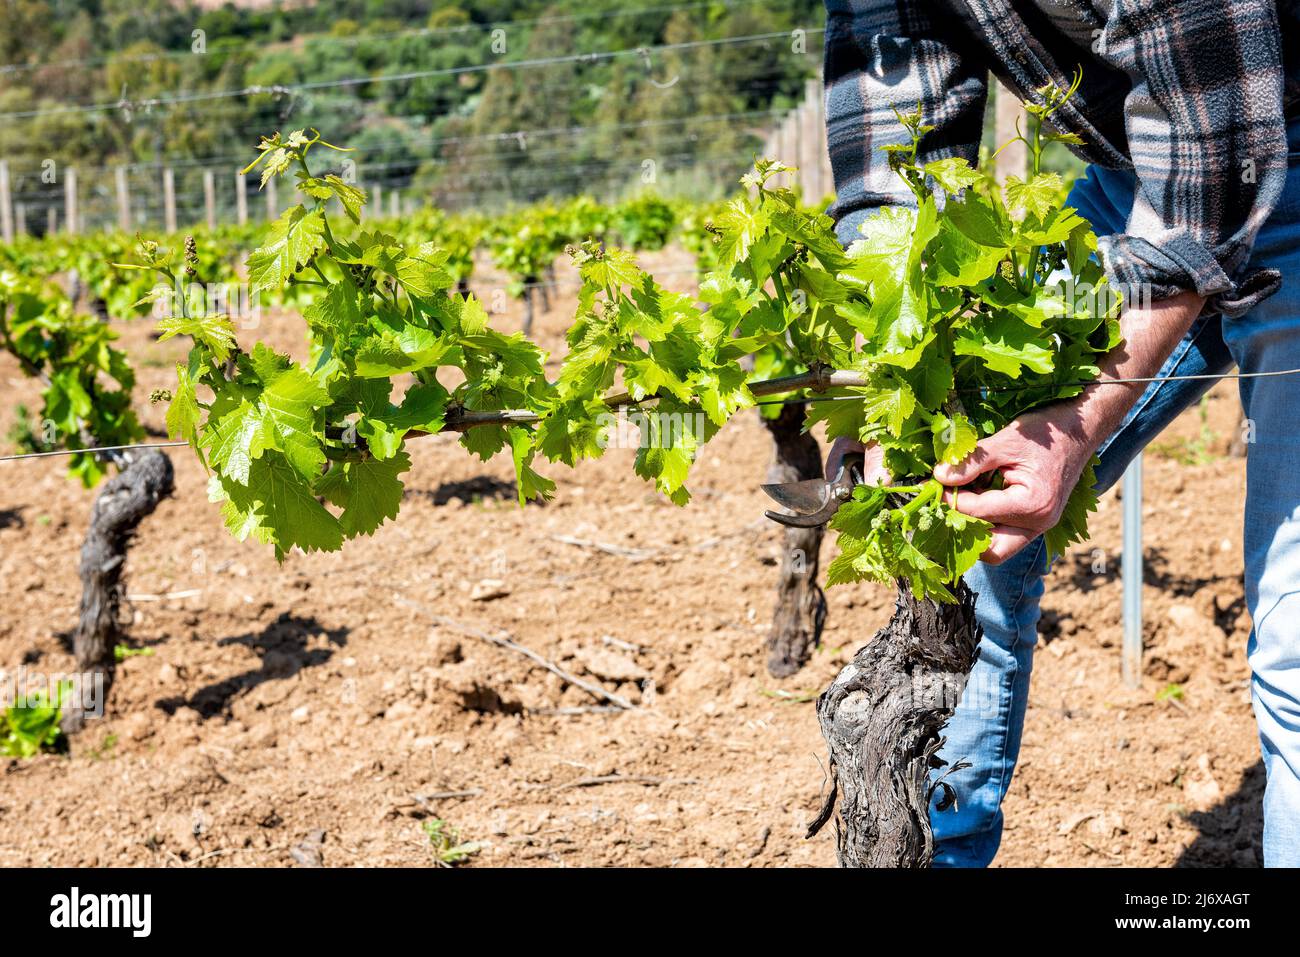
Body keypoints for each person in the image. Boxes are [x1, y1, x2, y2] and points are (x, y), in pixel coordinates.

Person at [819, 0, 1300, 866]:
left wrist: (1077, 422)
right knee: (967, 517)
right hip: (1142, 165)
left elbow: (1219, 129)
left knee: (1297, 656)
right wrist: (892, 378)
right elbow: (892, 141)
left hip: (1268, 138)